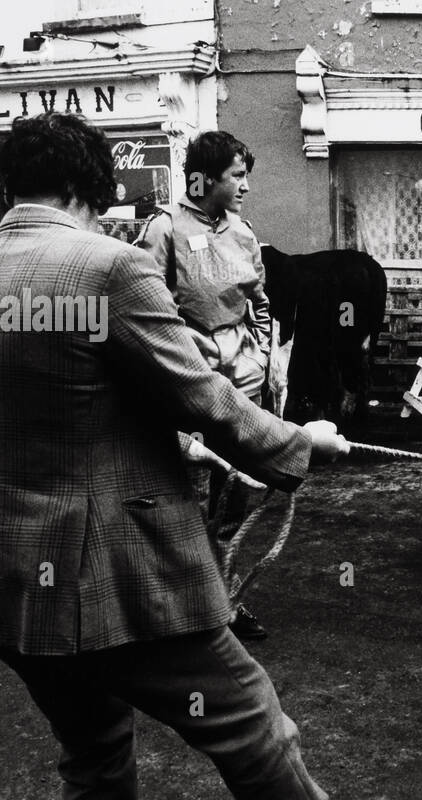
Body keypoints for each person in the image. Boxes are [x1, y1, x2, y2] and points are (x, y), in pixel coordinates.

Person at [0, 112, 391, 800]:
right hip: (103, 570)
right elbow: (205, 399)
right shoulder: (108, 267)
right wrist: (302, 442)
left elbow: (56, 409)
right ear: (96, 186)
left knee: (93, 747)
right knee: (247, 712)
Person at [137, 131, 273, 640]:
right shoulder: (164, 229)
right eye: (237, 175)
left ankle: (227, 601)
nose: (245, 186)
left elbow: (260, 301)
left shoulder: (242, 232)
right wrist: (185, 351)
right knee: (186, 495)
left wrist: (262, 354)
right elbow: (145, 308)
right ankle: (183, 608)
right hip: (188, 383)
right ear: (205, 177)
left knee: (237, 492)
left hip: (244, 384)